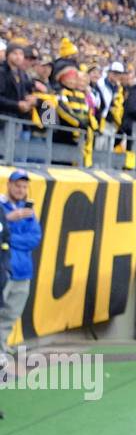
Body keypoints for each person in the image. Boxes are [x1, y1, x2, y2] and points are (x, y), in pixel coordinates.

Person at [0, 169, 41, 395]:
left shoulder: (29, 212)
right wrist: (8, 222)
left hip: (23, 272)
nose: (21, 190)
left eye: (24, 186)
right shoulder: (3, 208)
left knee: (8, 321)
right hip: (4, 271)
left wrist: (9, 237)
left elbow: (34, 238)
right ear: (9, 185)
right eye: (18, 185)